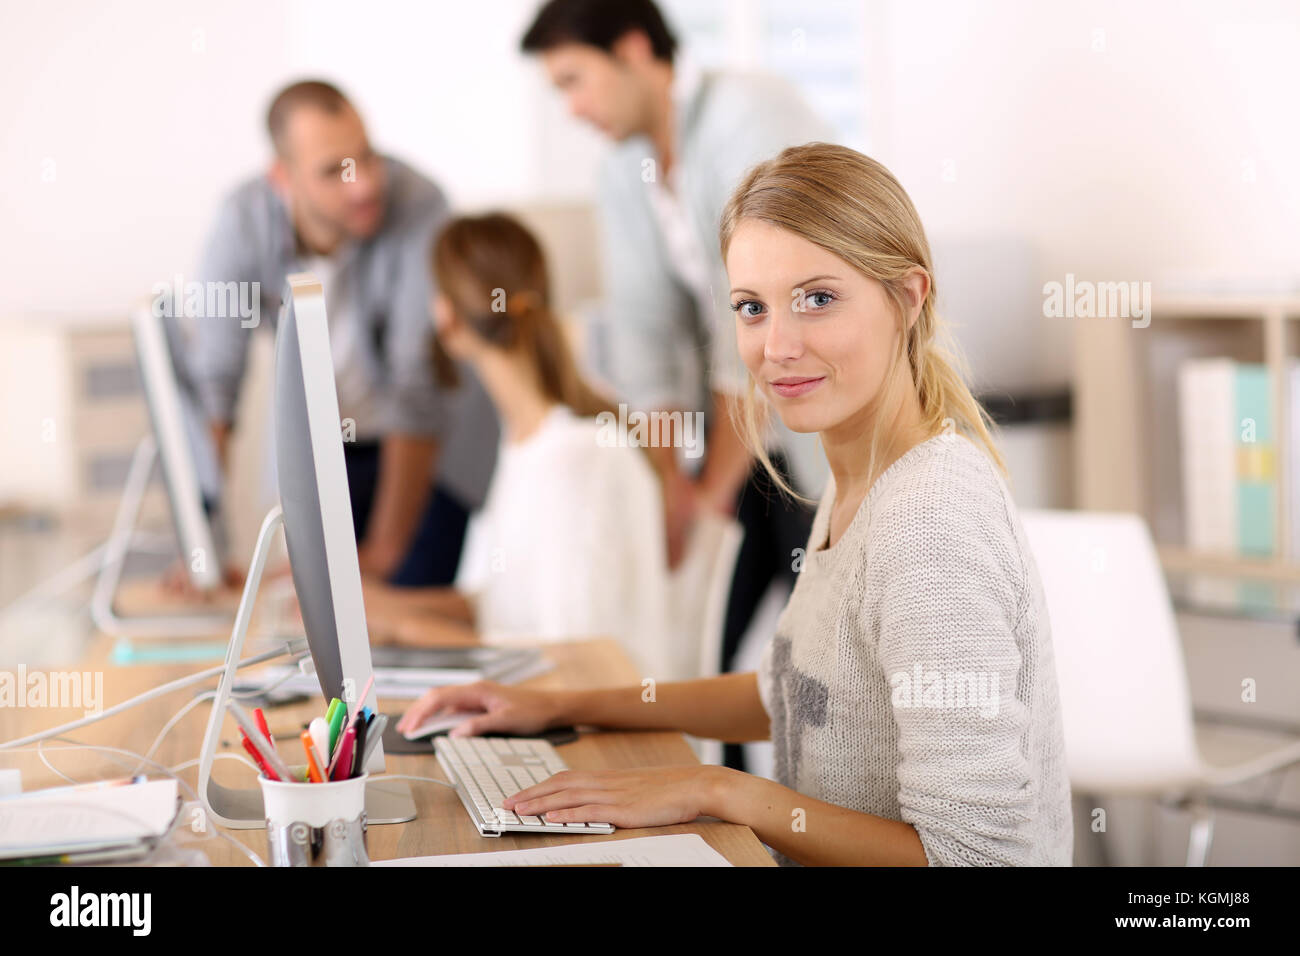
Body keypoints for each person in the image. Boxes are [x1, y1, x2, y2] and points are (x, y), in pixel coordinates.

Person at [396, 144, 1074, 867]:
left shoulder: (929, 519)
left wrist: (721, 791)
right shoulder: (864, 481)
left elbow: (979, 858)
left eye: (817, 298)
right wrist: (560, 708)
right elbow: (798, 691)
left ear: (908, 298)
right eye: (752, 308)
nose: (776, 345)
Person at [520, 0, 832, 769]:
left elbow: (765, 325)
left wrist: (712, 488)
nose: (573, 108)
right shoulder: (625, 169)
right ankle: (714, 813)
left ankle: (803, 826)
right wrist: (670, 481)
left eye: (574, 80)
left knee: (825, 664)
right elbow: (646, 341)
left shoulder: (747, 120)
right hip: (748, 440)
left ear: (633, 50)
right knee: (704, 644)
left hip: (817, 428)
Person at [189, 79, 497, 587]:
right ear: (281, 177)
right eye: (334, 171)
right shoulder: (241, 223)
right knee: (325, 614)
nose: (365, 185)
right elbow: (216, 386)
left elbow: (415, 383)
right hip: (335, 443)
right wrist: (202, 544)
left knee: (404, 605)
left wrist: (384, 551)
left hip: (431, 445)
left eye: (367, 157)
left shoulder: (419, 204)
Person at [371, 213, 673, 679]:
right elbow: (501, 603)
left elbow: (567, 661)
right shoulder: (524, 442)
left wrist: (409, 629)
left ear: (445, 314)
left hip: (601, 737)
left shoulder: (576, 456)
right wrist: (380, 607)